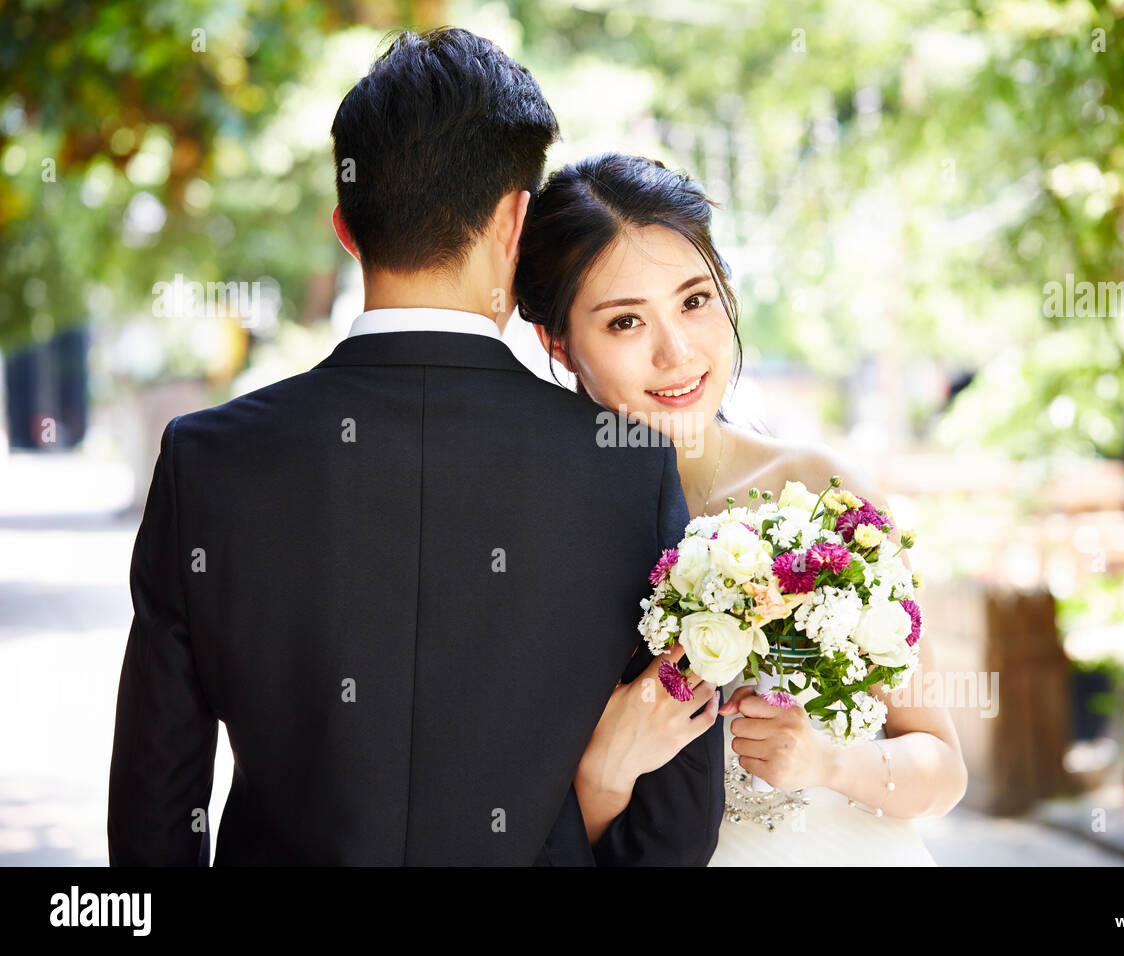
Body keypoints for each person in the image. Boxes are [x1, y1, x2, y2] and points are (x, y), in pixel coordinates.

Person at [107, 29, 722, 866]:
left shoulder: (207, 461)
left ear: (346, 229)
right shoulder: (629, 467)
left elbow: (153, 811)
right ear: (516, 220)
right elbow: (678, 821)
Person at [516, 152, 968, 865]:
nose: (678, 353)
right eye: (626, 322)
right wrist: (606, 768)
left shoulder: (826, 493)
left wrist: (828, 763)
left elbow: (943, 770)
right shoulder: (540, 537)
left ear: (726, 292)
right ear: (559, 344)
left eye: (694, 300)